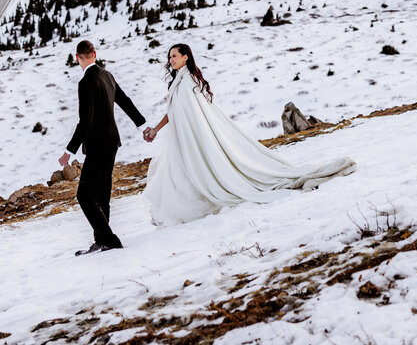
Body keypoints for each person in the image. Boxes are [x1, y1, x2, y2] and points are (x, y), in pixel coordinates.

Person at [142, 43, 356, 226]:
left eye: (174, 56)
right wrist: (156, 129)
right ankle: (184, 206)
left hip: (192, 136)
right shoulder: (180, 81)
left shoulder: (188, 81)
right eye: (169, 57)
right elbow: (174, 111)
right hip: (182, 136)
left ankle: (194, 204)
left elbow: (196, 113)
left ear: (186, 57)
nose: (171, 60)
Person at [59, 40, 147, 255]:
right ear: (94, 54)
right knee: (101, 195)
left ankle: (110, 239)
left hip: (98, 145)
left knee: (85, 196)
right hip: (112, 142)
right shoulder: (107, 75)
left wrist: (69, 151)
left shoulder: (85, 82)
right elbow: (124, 100)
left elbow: (85, 121)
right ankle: (101, 240)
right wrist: (142, 124)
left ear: (77, 57)